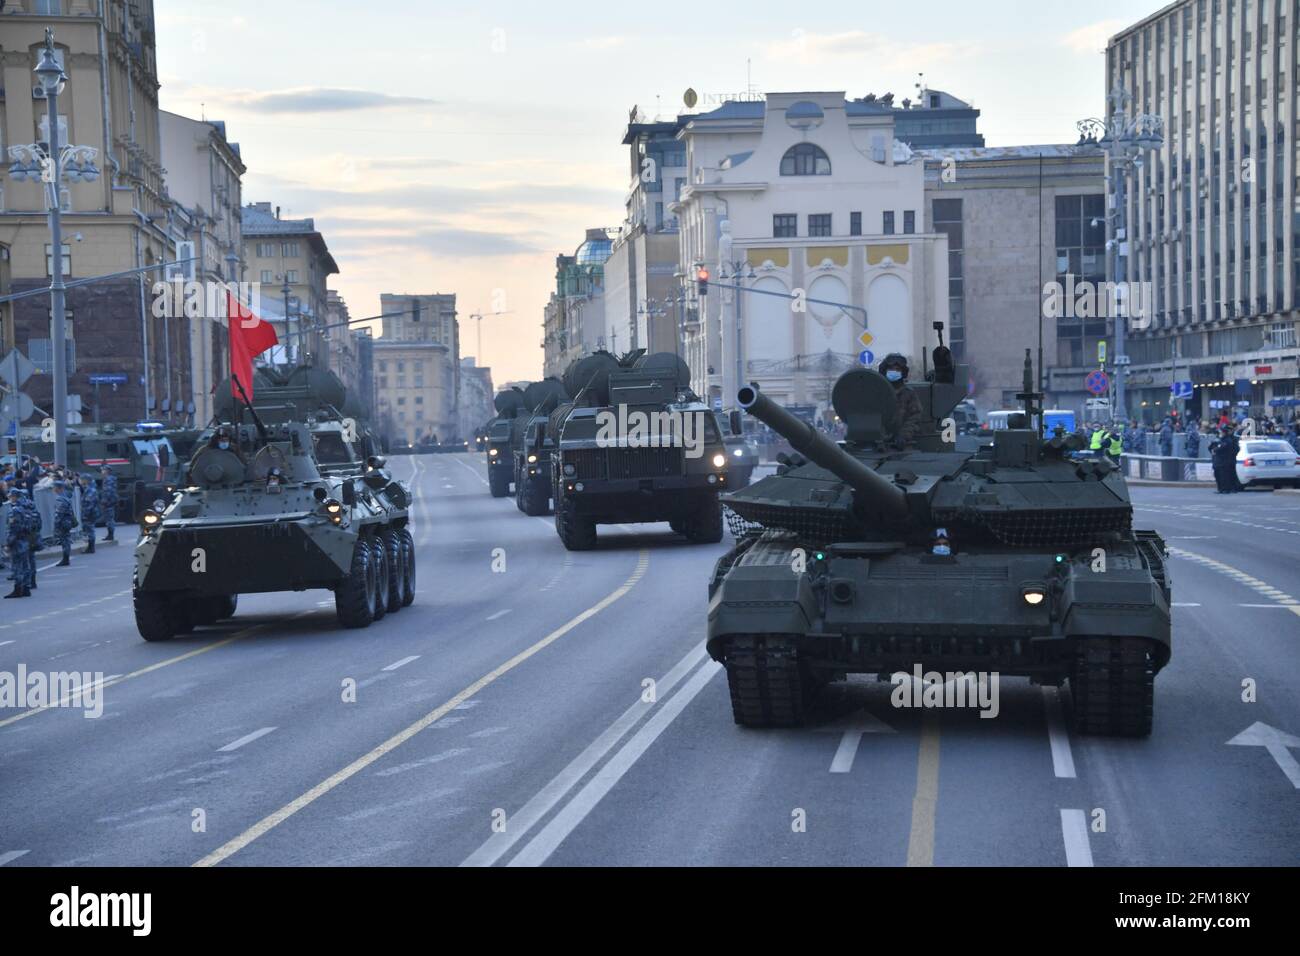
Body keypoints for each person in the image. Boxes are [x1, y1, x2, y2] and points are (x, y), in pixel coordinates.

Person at [878, 353, 923, 446]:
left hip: (901, 443)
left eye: (898, 370)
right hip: (877, 441)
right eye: (891, 369)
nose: (894, 372)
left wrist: (904, 435)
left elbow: (915, 417)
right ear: (884, 371)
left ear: (903, 373)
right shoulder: (877, 392)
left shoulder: (908, 393)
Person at [5, 487, 34, 598]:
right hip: (25, 539)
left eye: (11, 496)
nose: (10, 498)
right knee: (25, 565)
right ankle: (26, 588)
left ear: (14, 497)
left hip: (17, 541)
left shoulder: (15, 510)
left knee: (17, 566)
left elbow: (13, 528)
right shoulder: (26, 508)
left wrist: (8, 543)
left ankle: (18, 589)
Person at [52, 477, 77, 566]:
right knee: (66, 539)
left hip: (63, 523)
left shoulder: (60, 498)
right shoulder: (65, 496)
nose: (53, 489)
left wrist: (56, 525)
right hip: (67, 522)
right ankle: (66, 558)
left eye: (54, 487)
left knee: (64, 540)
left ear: (58, 488)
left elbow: (59, 514)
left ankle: (65, 559)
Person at [78, 473, 98, 554]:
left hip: (89, 513)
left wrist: (85, 514)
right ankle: (90, 547)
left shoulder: (91, 490)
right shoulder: (88, 489)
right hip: (89, 513)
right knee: (89, 530)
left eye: (81, 479)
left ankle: (91, 547)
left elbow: (90, 503)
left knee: (90, 530)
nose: (80, 481)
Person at [98, 466, 118, 542]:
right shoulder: (110, 478)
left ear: (107, 471)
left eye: (103, 470)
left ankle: (110, 535)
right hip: (111, 501)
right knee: (109, 518)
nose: (101, 471)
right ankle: (110, 534)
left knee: (109, 518)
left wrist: (104, 501)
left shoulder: (108, 479)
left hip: (108, 502)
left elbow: (108, 491)